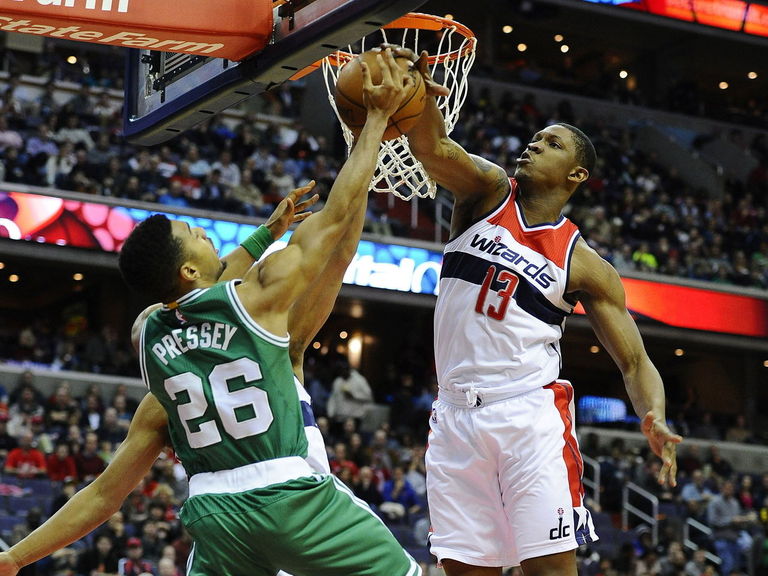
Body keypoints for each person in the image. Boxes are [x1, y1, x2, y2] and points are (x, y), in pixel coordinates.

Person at [0, 48, 420, 576]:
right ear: (190, 272)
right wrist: (375, 121)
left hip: (214, 512)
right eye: (191, 234)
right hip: (290, 497)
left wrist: (15, 558)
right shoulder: (262, 301)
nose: (201, 231)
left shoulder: (154, 358)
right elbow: (336, 224)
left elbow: (105, 495)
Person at [393, 45, 682, 576]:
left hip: (527, 417)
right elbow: (433, 148)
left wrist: (653, 416)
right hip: (454, 417)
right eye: (535, 138)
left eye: (551, 144)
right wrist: (422, 95)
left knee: (548, 571)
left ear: (575, 176)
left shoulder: (584, 264)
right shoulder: (486, 193)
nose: (534, 145)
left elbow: (635, 362)